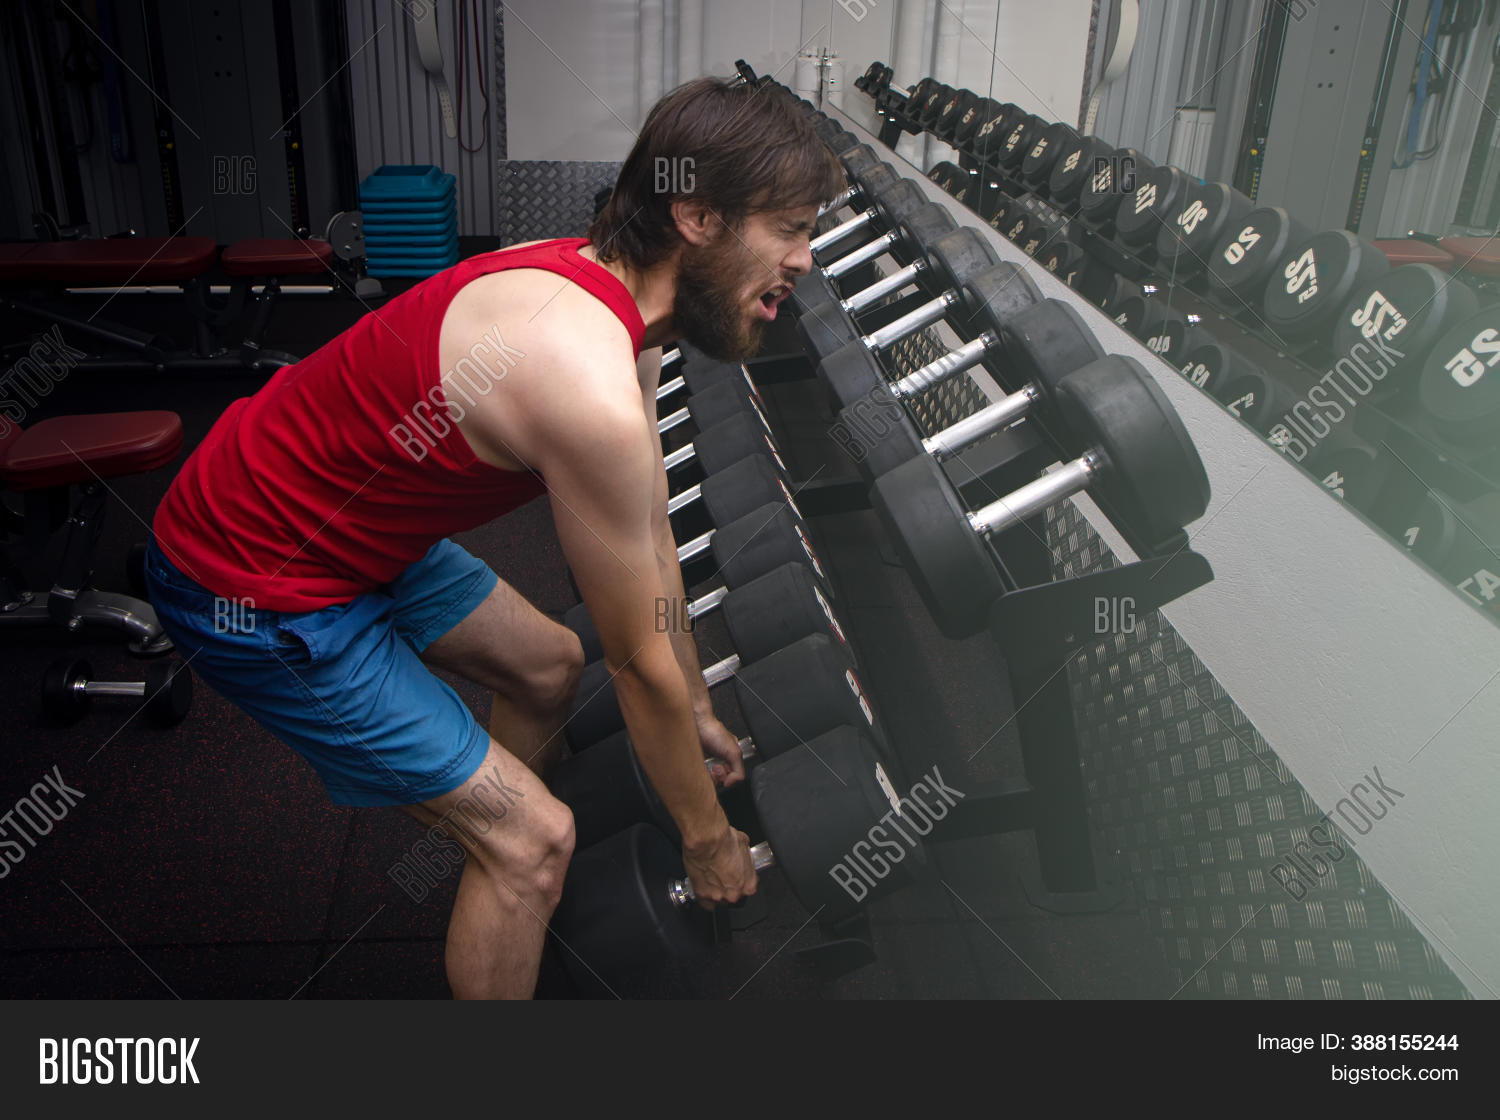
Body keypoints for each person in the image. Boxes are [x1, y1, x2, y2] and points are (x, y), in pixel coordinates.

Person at [141, 76, 844, 998]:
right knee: (535, 840)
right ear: (699, 215)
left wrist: (700, 708)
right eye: (790, 228)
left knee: (550, 665)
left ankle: (501, 872)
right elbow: (635, 662)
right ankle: (512, 861)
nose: (804, 258)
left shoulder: (614, 305)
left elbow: (649, 533)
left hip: (343, 526)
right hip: (247, 573)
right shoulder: (582, 381)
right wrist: (706, 837)